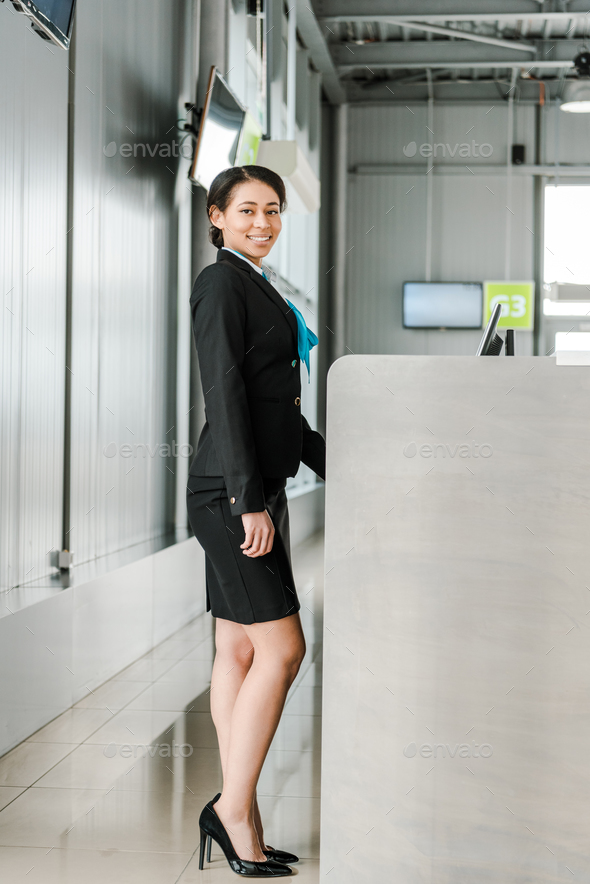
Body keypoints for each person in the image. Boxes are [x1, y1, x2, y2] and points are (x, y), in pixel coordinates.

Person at [186, 164, 326, 877]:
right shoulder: (221, 283)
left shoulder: (258, 283)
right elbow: (226, 394)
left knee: (240, 653)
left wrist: (343, 465)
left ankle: (243, 810)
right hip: (229, 493)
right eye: (247, 210)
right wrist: (247, 501)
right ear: (216, 216)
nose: (264, 222)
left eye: (273, 210)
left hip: (249, 486)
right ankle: (231, 810)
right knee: (283, 651)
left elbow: (280, 412)